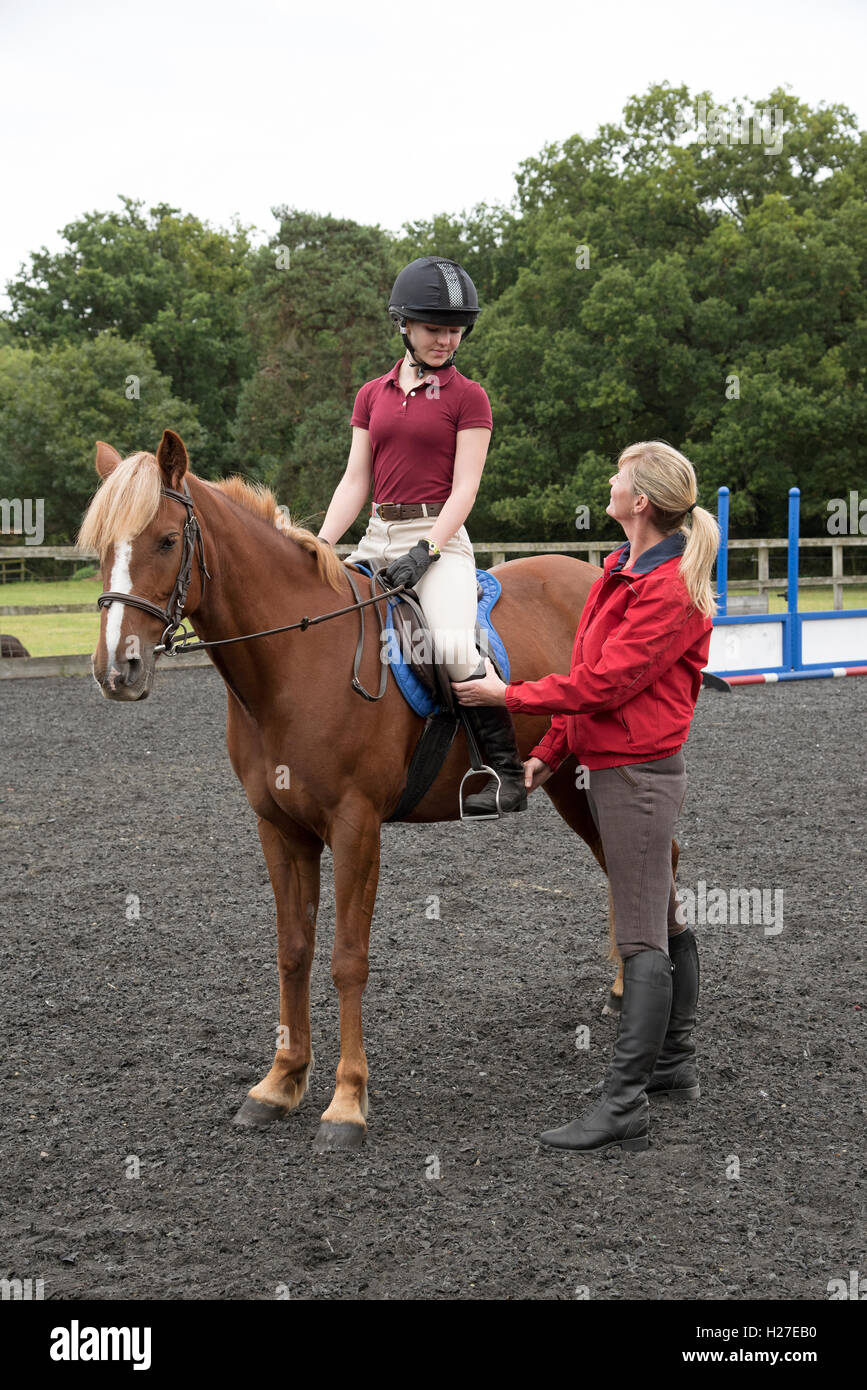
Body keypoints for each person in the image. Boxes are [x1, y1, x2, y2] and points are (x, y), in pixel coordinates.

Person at [452, 440, 719, 1151]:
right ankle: (673, 1063)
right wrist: (544, 754)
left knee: (639, 939)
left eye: (618, 477)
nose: (607, 481)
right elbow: (590, 675)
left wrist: (507, 694)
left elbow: (604, 687)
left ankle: (624, 1102)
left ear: (640, 501)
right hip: (610, 763)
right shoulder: (619, 570)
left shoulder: (664, 591)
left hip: (636, 777)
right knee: (663, 918)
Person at [318, 255, 526, 815]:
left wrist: (427, 549)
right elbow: (355, 479)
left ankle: (502, 771)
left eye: (455, 331)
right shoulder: (371, 395)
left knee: (456, 645)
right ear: (403, 325)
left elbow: (465, 490)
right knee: (320, 620)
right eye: (435, 329)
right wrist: (319, 544)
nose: (446, 340)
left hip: (440, 536)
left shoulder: (469, 397)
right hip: (377, 534)